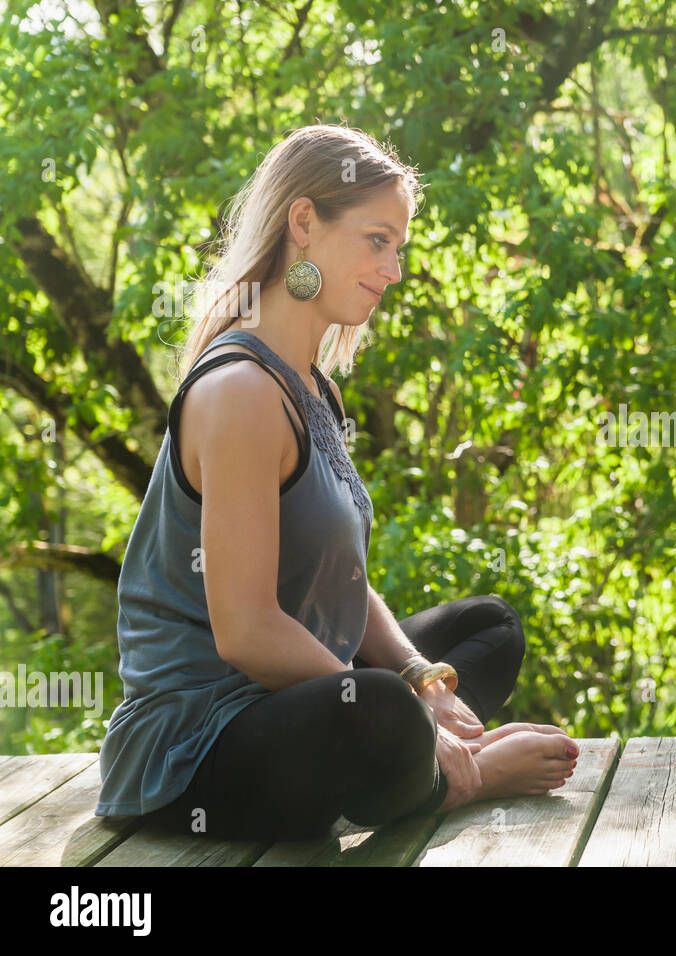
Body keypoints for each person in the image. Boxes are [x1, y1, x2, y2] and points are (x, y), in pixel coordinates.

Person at [96, 124, 578, 841]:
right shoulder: (241, 393)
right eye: (377, 241)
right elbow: (248, 632)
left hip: (297, 701)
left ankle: (417, 758)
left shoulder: (312, 386)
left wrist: (422, 681)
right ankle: (455, 775)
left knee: (486, 628)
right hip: (194, 747)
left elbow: (346, 585)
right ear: (304, 224)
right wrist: (410, 711)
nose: (394, 269)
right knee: (376, 708)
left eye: (399, 248)